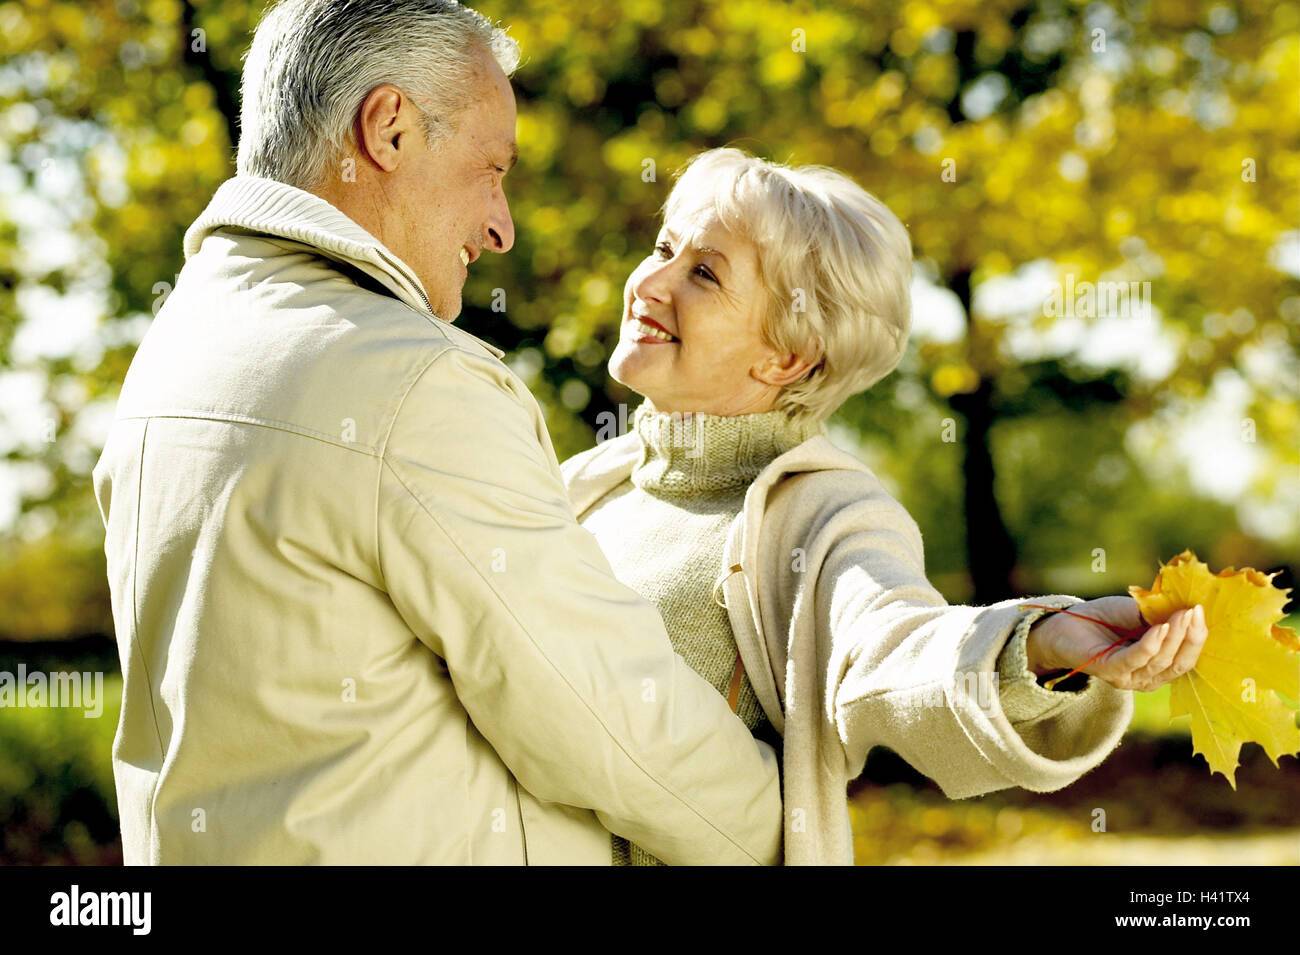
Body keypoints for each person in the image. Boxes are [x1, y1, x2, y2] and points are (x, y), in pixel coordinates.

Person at [90, 1, 782, 865]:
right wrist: (790, 829)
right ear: (388, 128)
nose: (501, 226)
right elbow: (606, 715)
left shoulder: (171, 355)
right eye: (491, 169)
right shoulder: (412, 382)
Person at [560, 147, 1208, 865]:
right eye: (663, 248)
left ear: (787, 357)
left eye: (704, 273)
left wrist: (1040, 644)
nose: (650, 283)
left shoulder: (821, 512)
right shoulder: (580, 483)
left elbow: (891, 647)